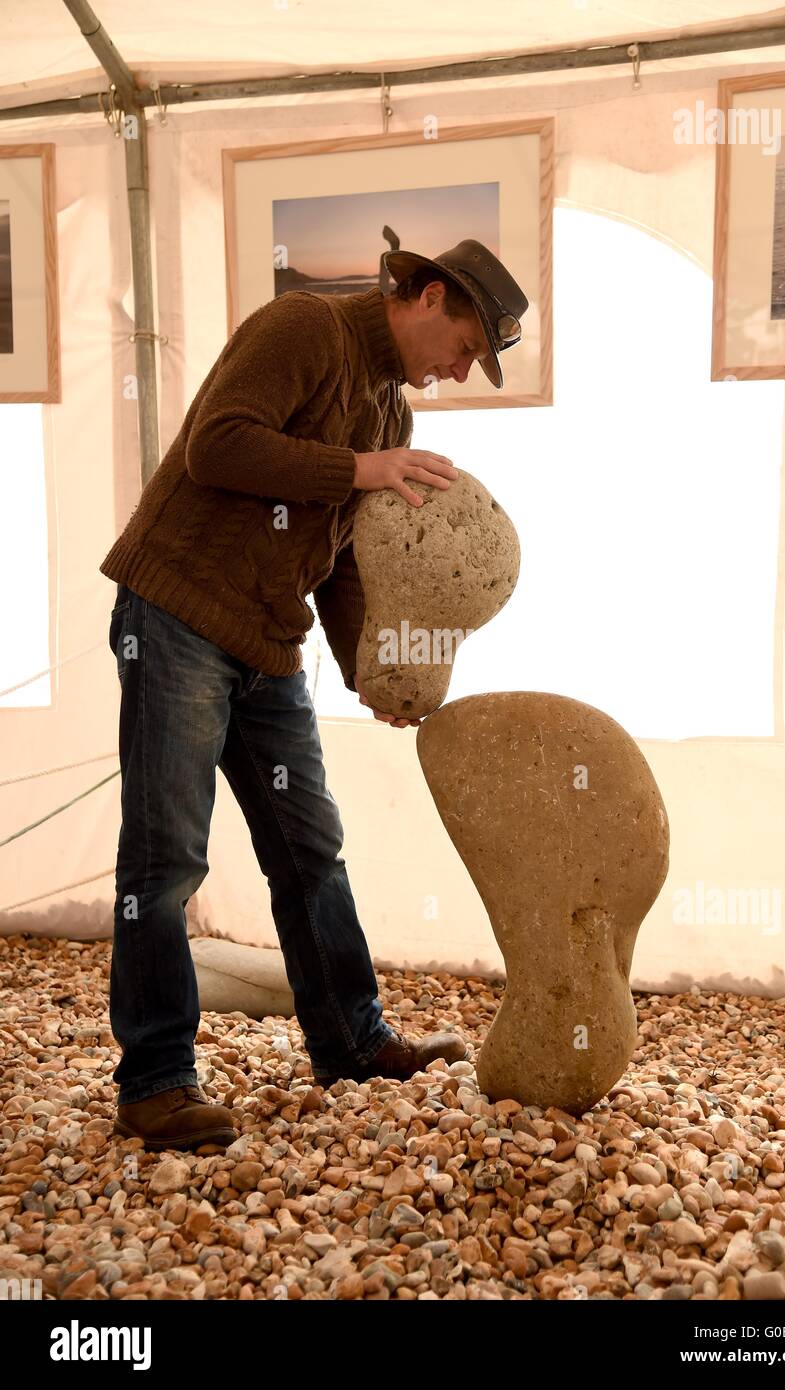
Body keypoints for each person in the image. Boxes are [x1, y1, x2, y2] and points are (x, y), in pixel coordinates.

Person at [101, 238, 529, 1150]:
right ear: (425, 292)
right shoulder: (304, 325)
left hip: (267, 636)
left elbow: (339, 563)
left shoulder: (389, 416)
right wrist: (359, 471)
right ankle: (155, 1079)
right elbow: (216, 446)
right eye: (462, 347)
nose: (455, 373)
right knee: (166, 858)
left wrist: (373, 667)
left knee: (310, 849)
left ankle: (351, 1039)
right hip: (176, 608)